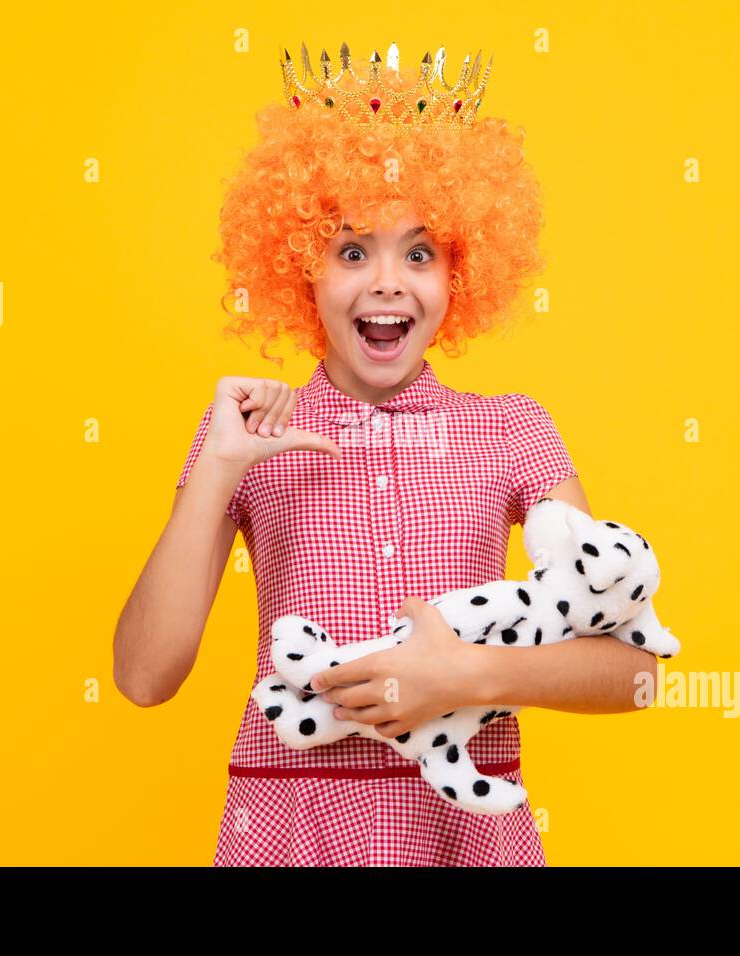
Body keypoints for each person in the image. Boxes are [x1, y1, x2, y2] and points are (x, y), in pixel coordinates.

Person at [113, 42, 662, 865]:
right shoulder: (247, 434)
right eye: (351, 250)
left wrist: (466, 676)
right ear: (302, 270)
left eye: (419, 252)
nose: (386, 284)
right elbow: (143, 678)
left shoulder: (513, 430)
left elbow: (633, 675)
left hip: (466, 830)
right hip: (290, 832)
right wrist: (221, 466)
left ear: (460, 272)